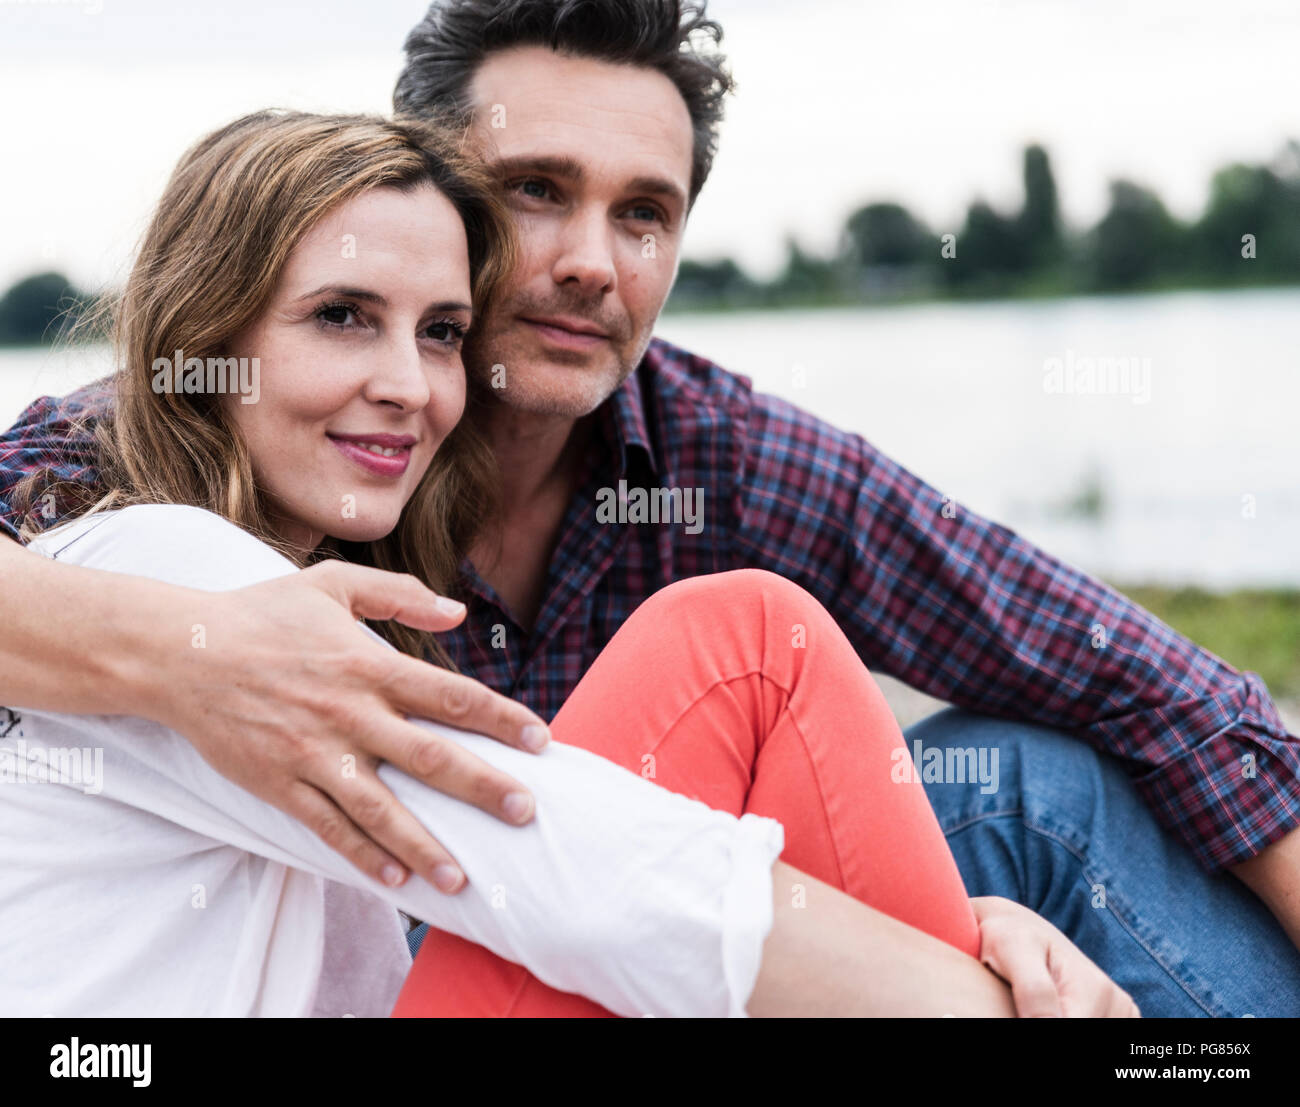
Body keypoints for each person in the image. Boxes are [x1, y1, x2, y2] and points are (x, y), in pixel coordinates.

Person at [1, 0, 1296, 1015]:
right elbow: (600, 883)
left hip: (498, 896)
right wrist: (181, 646)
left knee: (1023, 792)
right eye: (536, 190)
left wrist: (952, 943)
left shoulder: (716, 452)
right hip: (462, 909)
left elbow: (1147, 681)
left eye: (644, 215)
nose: (588, 262)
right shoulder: (166, 461)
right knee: (746, 647)